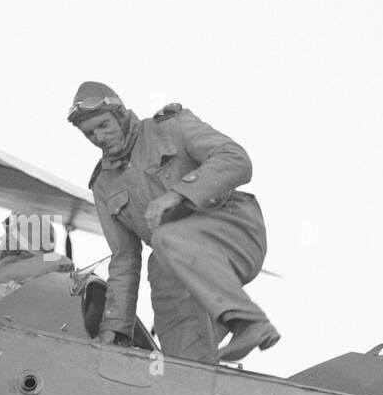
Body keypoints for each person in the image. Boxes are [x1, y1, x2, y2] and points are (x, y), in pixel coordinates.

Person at [67, 80, 279, 363]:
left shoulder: (170, 127)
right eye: (89, 133)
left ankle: (249, 323)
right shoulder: (103, 185)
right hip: (176, 264)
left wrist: (178, 195)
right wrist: (115, 332)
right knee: (182, 358)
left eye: (104, 125)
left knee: (166, 238)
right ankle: (197, 384)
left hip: (234, 231)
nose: (99, 137)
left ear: (120, 114)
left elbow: (236, 159)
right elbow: (124, 260)